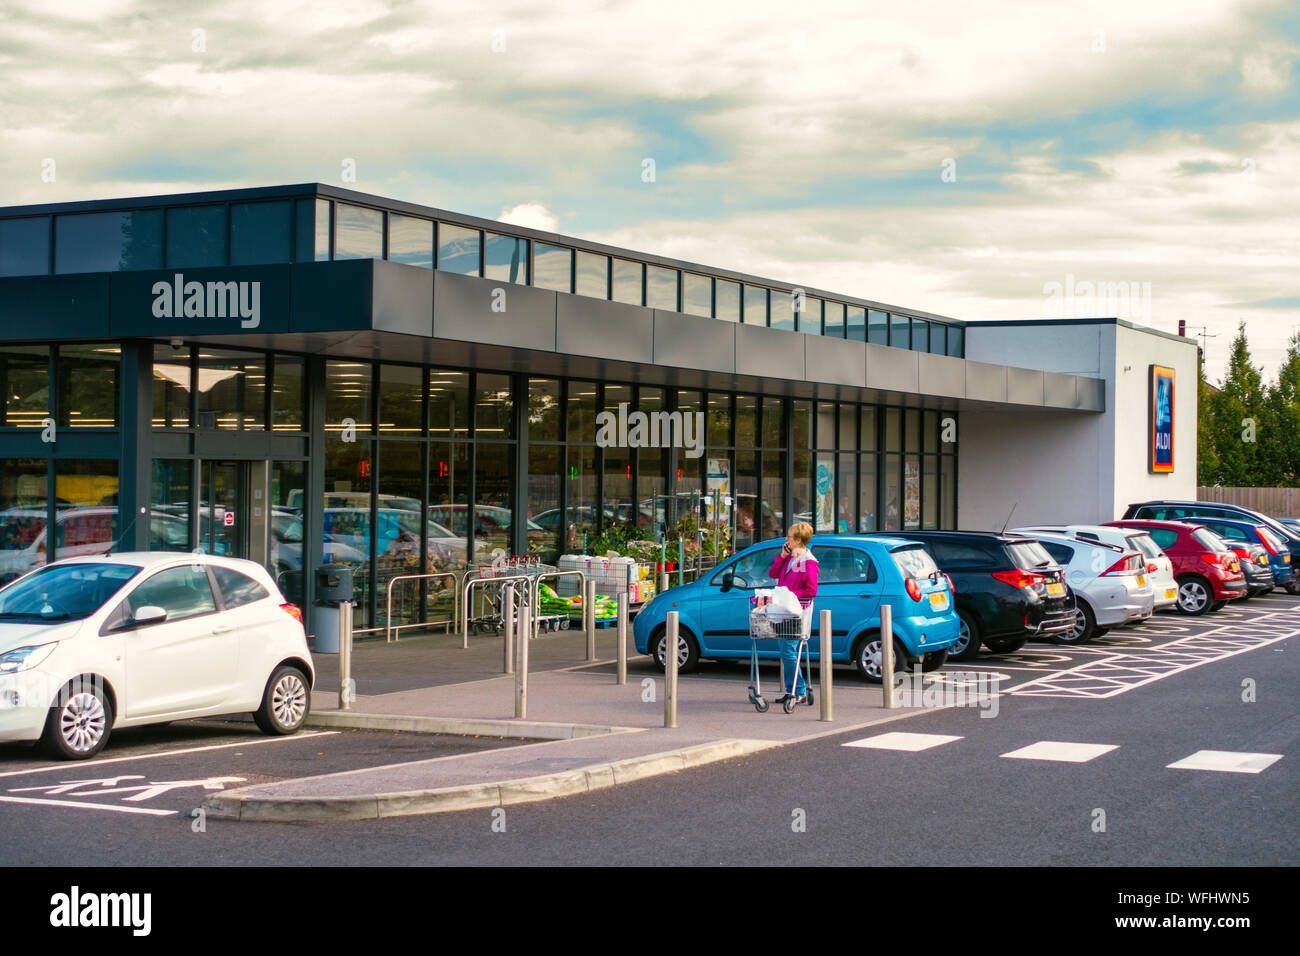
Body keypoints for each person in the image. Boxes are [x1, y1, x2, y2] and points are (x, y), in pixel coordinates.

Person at [766, 522, 819, 703]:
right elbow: (772, 573)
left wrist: (787, 595)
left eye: (789, 537)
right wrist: (782, 556)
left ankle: (798, 690)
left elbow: (811, 590)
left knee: (789, 651)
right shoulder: (790, 558)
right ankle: (793, 690)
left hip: (797, 612)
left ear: (797, 540)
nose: (786, 539)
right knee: (787, 651)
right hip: (783, 611)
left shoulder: (808, 562)